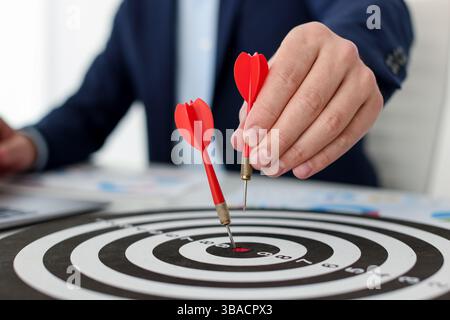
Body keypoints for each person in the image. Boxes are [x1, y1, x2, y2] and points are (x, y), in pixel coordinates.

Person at [0, 0, 413, 186]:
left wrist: (350, 47)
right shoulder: (138, 10)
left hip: (317, 214)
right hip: (178, 230)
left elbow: (377, 10)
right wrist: (31, 144)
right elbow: (91, 108)